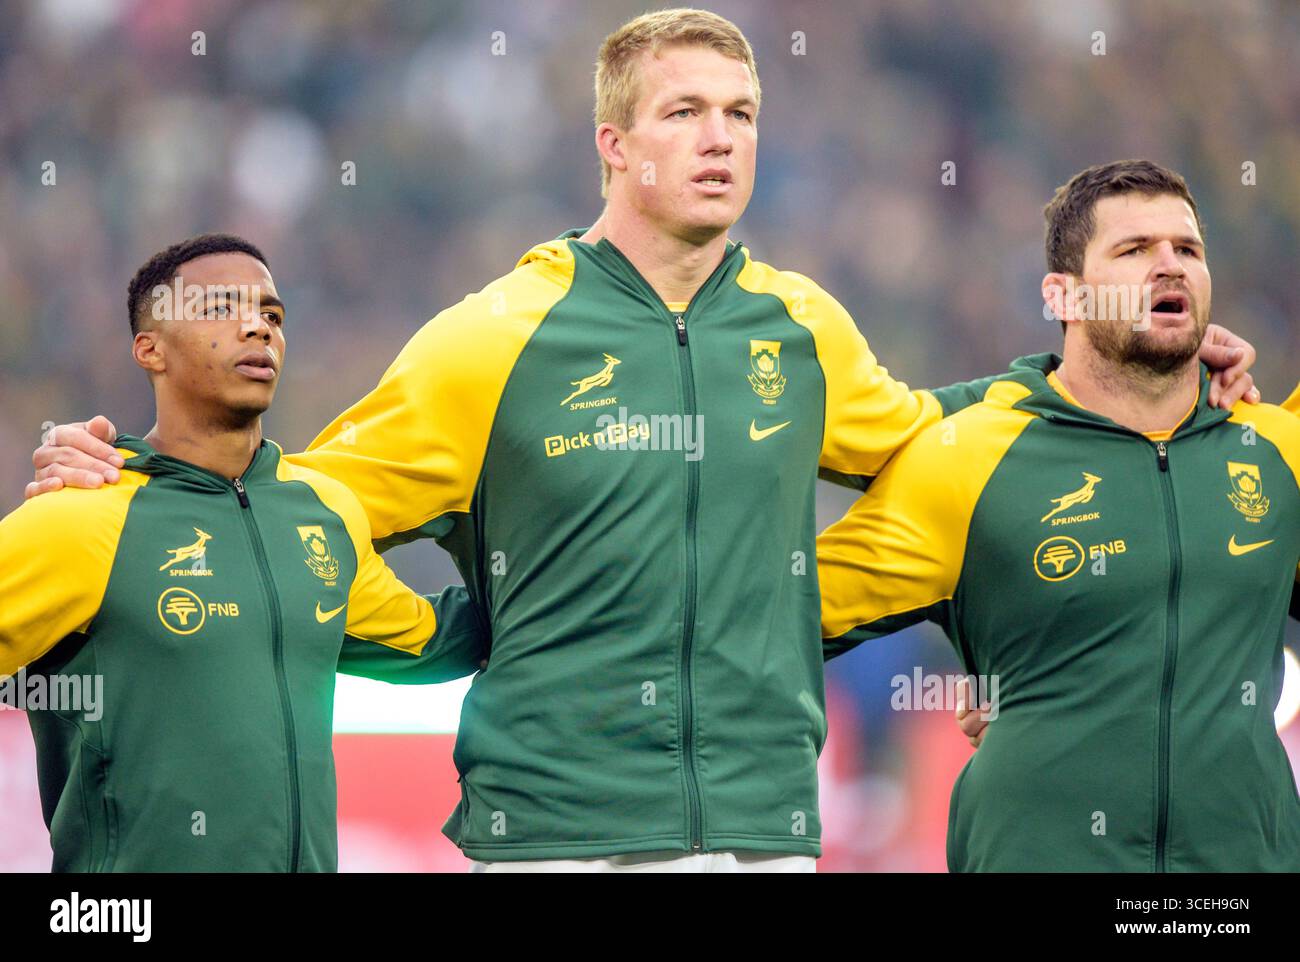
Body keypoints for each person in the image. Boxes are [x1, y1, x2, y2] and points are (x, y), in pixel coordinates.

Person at [24, 11, 1260, 872]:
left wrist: (1130, 386)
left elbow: (946, 446)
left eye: (740, 111)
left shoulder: (802, 329)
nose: (721, 137)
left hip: (769, 825)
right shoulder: (490, 338)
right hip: (555, 828)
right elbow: (310, 506)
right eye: (684, 112)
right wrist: (139, 482)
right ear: (613, 144)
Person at [818, 160, 1299, 871]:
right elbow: (765, 618)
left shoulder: (1278, 453)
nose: (1169, 265)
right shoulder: (969, 459)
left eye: (1187, 250)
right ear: (1063, 295)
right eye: (1134, 251)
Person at [0, 234, 484, 871]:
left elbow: (436, 641)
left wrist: (583, 568)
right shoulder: (78, 515)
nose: (256, 328)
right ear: (150, 349)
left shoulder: (323, 512)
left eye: (272, 315)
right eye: (220, 309)